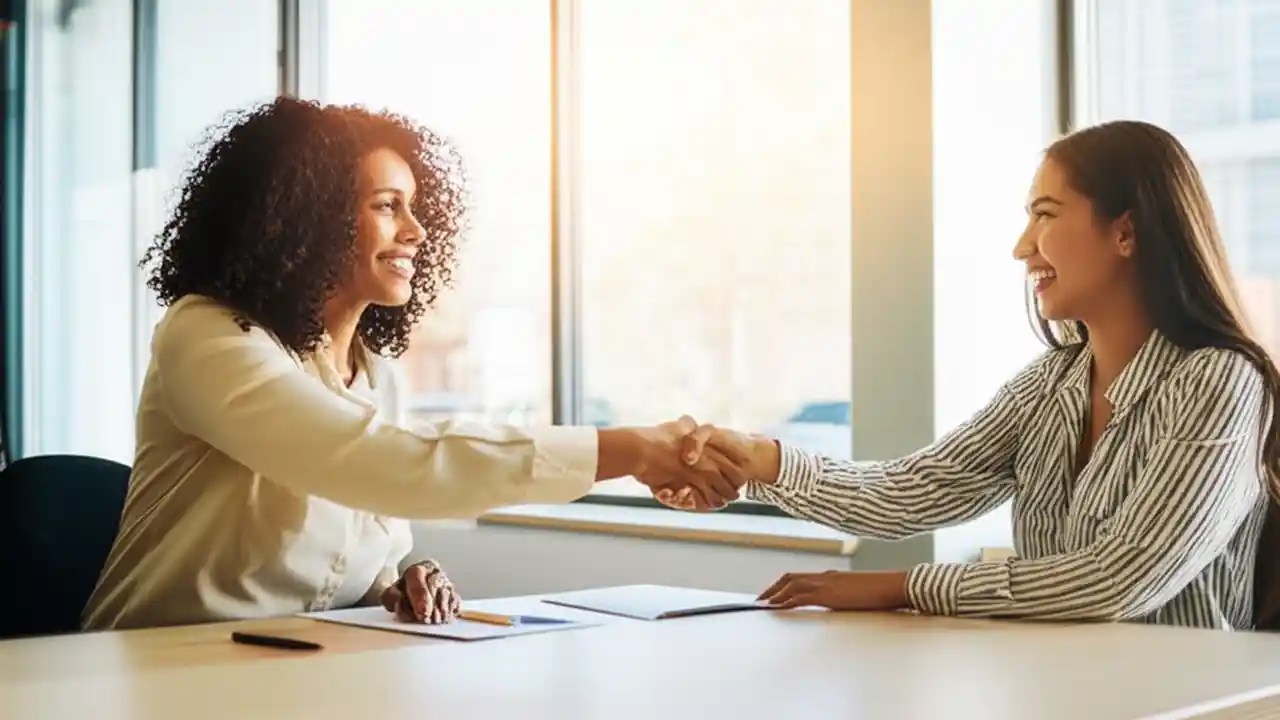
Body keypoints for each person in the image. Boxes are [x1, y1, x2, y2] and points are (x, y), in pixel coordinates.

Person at [82, 97, 745, 631]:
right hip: (157, 670)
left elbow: (362, 515)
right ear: (308, 219)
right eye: (385, 206)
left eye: (415, 207)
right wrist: (627, 450)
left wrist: (397, 579)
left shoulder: (376, 376)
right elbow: (377, 463)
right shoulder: (208, 335)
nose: (417, 231)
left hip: (289, 674)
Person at [670, 120, 1280, 631]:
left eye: (1045, 214)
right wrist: (758, 460)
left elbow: (1120, 579)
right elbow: (906, 493)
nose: (1022, 247)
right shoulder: (1047, 386)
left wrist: (902, 587)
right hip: (1070, 693)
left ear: (1125, 230)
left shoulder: (1220, 381)